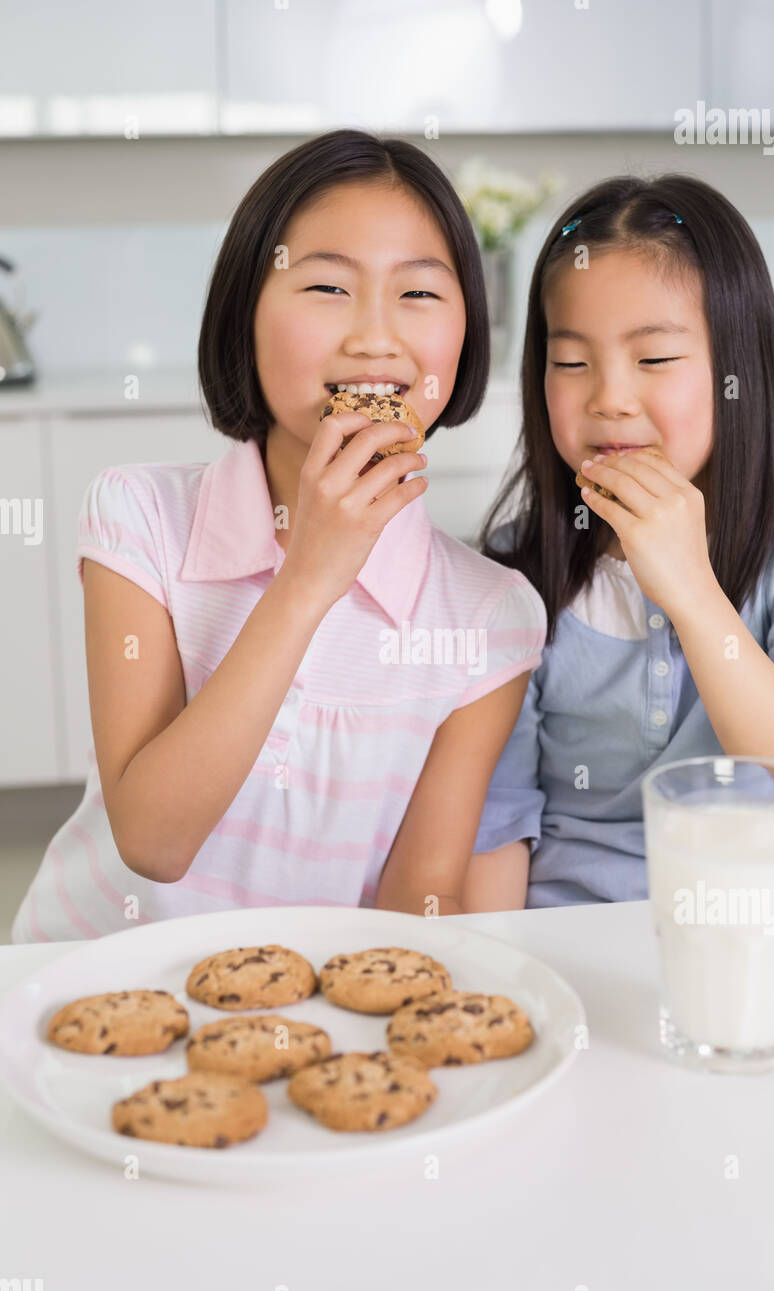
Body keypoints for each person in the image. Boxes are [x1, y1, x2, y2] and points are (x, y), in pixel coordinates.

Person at [12, 129, 546, 942]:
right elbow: (154, 842)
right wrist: (308, 578)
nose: (375, 337)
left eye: (420, 294)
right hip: (90, 988)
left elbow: (421, 899)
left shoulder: (490, 615)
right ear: (244, 312)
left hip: (306, 1018)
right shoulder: (139, 518)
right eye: (328, 288)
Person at [463, 174, 774, 911]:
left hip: (748, 945)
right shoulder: (517, 568)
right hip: (567, 942)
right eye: (572, 361)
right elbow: (498, 825)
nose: (609, 397)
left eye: (653, 360)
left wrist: (688, 588)